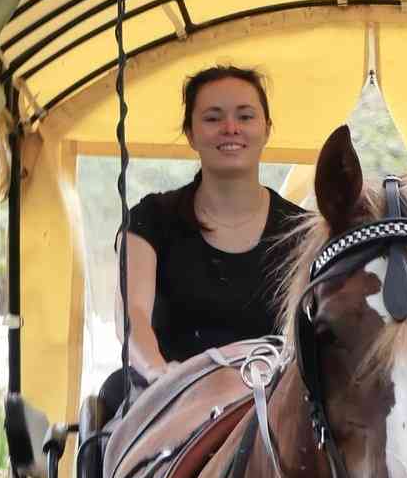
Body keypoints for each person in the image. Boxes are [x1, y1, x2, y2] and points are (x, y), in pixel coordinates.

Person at [103, 65, 305, 413]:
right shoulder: (150, 219)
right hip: (170, 397)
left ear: (267, 129)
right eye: (213, 118)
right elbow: (132, 314)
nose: (231, 128)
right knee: (107, 414)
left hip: (271, 403)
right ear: (191, 133)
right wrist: (159, 374)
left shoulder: (301, 230)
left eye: (245, 116)